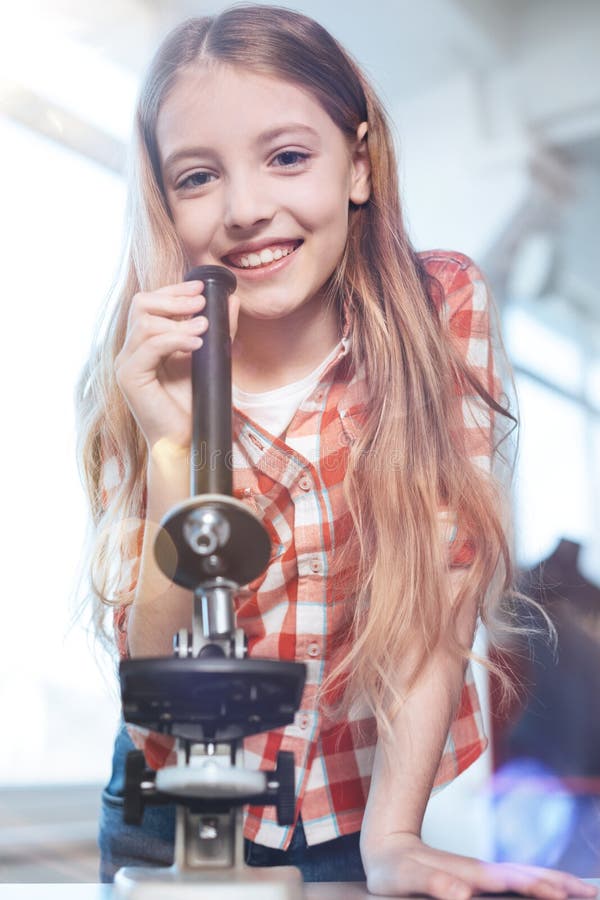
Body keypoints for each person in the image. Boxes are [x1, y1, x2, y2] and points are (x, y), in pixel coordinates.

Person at [75, 5, 596, 897]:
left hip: (354, 813)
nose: (245, 210)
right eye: (198, 177)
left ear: (358, 163)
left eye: (286, 157)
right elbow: (151, 666)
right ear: (165, 198)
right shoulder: (145, 367)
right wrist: (171, 450)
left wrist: (394, 833)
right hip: (172, 817)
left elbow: (438, 586)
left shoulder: (438, 312)